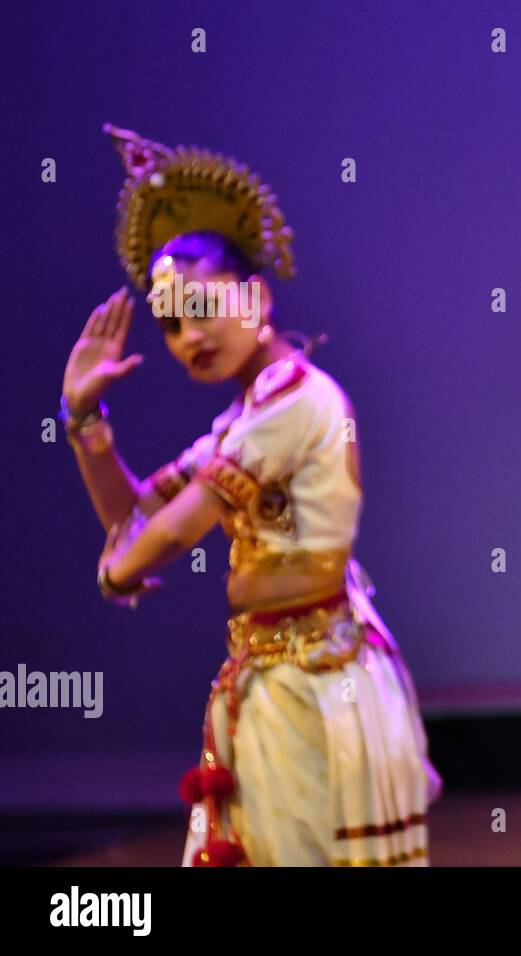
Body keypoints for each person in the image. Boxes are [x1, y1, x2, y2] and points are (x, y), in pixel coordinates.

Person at [60, 125, 440, 866]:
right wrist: (83, 418)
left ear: (256, 298)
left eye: (204, 308)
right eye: (171, 323)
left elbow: (167, 536)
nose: (189, 336)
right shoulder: (244, 416)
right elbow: (134, 515)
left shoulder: (294, 403)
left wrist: (116, 572)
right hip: (275, 681)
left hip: (325, 687)